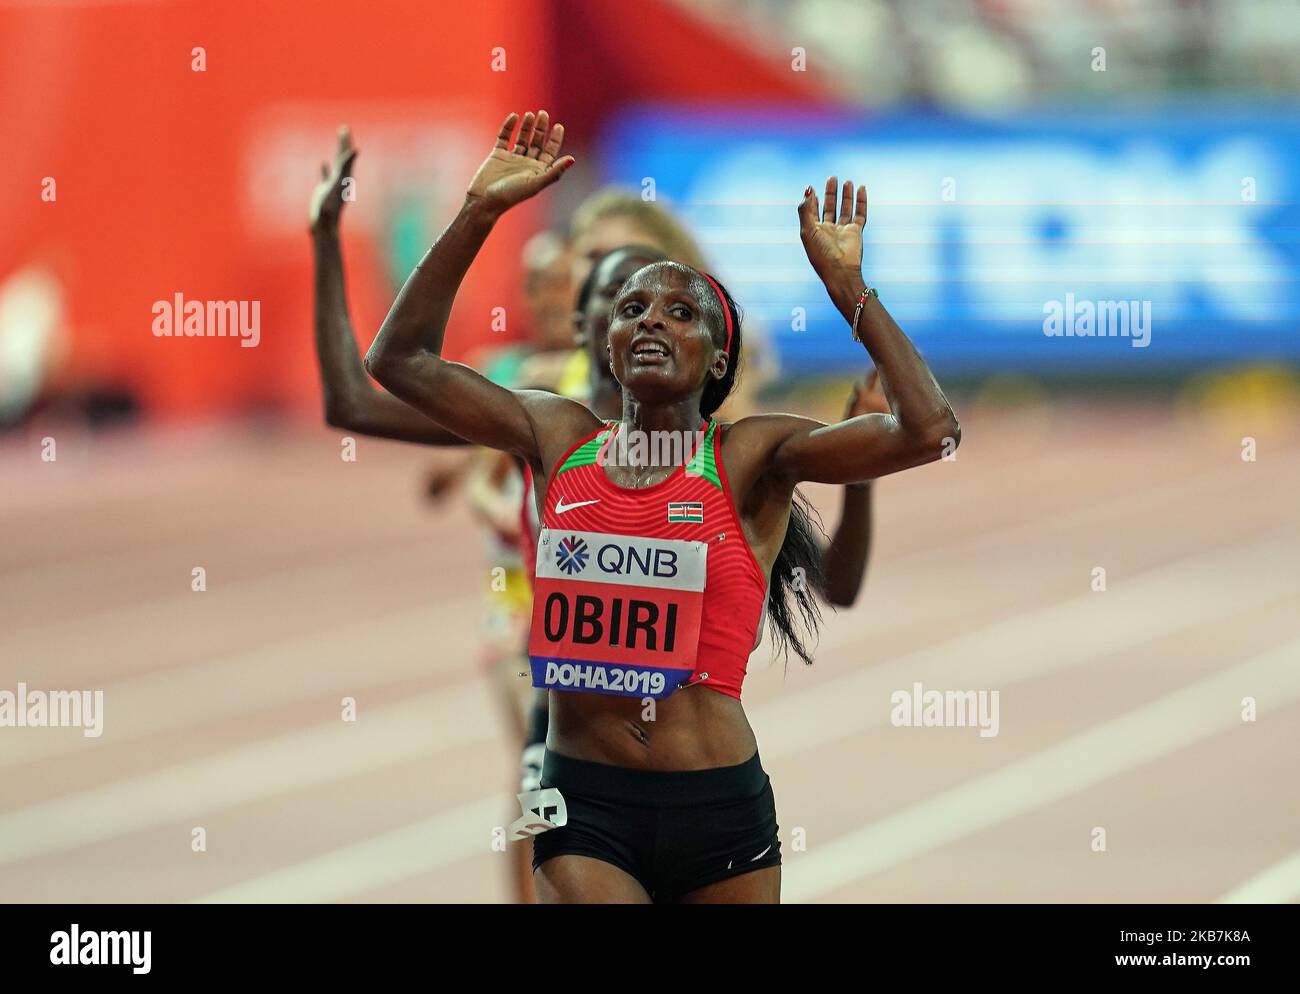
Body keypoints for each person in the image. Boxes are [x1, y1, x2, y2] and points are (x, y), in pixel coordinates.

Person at [365, 110, 961, 903]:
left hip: (717, 808)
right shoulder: (554, 432)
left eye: (682, 313)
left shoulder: (752, 456)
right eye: (631, 310)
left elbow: (929, 430)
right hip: (584, 803)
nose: (651, 319)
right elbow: (397, 360)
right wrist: (480, 210)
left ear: (719, 356)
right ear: (605, 343)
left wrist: (850, 292)